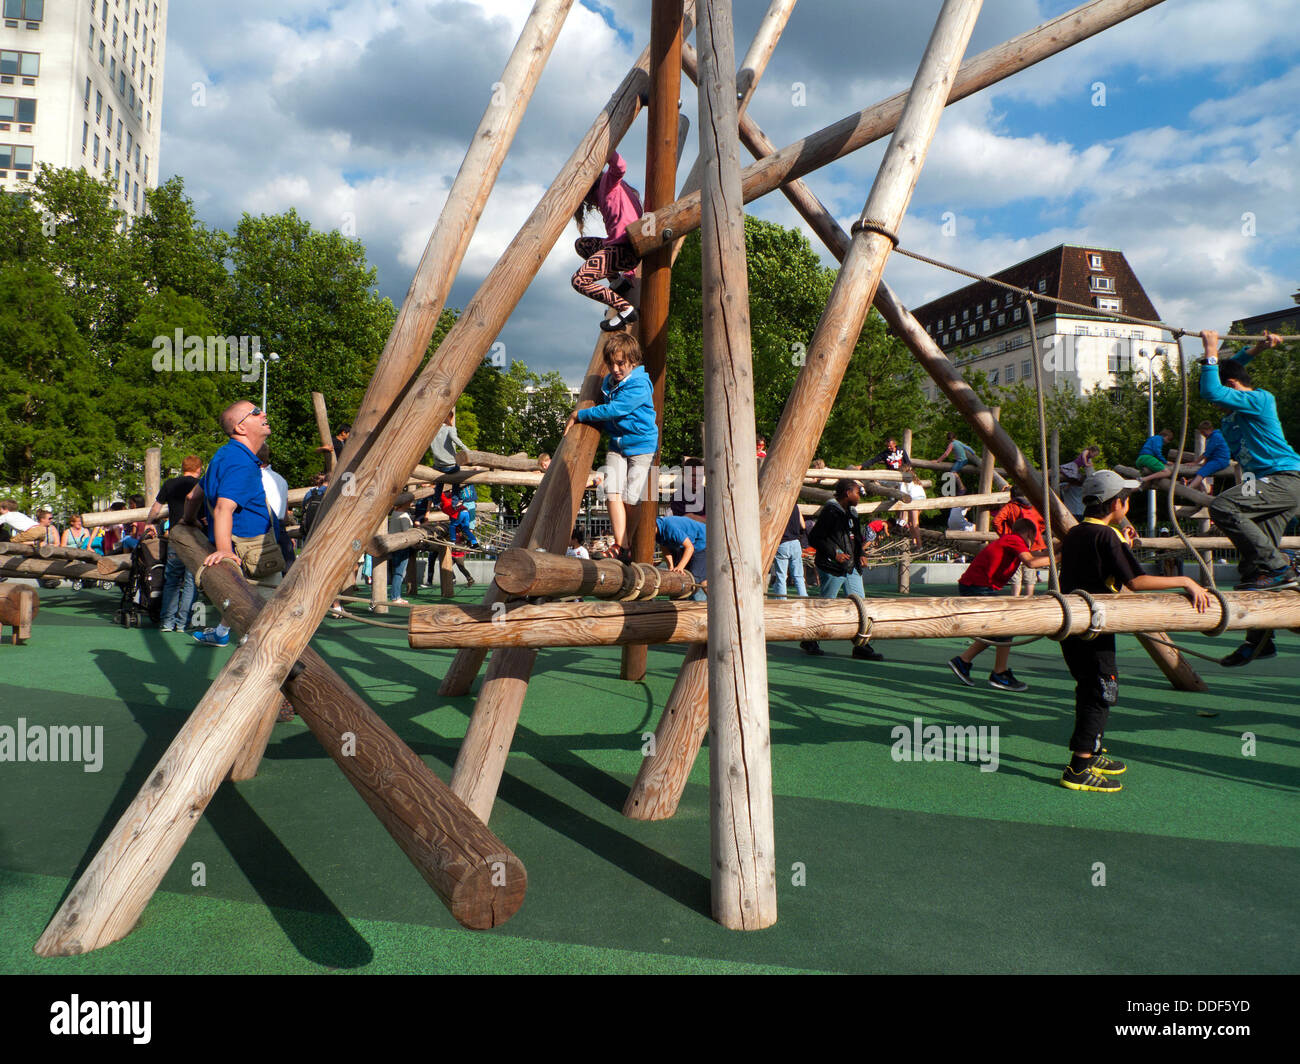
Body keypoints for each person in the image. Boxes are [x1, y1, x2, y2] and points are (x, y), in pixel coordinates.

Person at [1057, 470, 1210, 792]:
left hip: (1076, 625)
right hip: (1095, 627)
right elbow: (1136, 582)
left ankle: (1093, 750)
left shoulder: (1076, 533)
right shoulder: (1106, 537)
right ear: (1117, 503)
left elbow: (1098, 564)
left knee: (1089, 687)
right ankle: (1079, 767)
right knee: (1101, 691)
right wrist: (1185, 581)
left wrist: (1121, 537)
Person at [1199, 329, 1300, 666]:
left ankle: (1281, 568)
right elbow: (1230, 372)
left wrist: (1211, 349)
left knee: (1223, 505)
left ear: (1232, 389)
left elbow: (1214, 386)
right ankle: (1259, 641)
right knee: (1251, 569)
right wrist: (1255, 349)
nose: (1217, 404)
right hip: (1267, 484)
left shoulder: (1260, 400)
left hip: (1286, 479)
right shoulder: (1234, 417)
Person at [188, 401, 284, 648]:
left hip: (241, 547)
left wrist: (186, 521)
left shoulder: (224, 454)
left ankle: (221, 632)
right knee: (270, 623)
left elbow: (193, 496)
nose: (263, 413)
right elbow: (223, 508)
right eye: (254, 412)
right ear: (240, 428)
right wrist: (224, 552)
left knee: (248, 610)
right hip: (253, 552)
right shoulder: (241, 463)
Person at [565, 332, 657, 561]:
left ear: (633, 362)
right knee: (611, 490)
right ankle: (621, 544)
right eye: (611, 364)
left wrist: (580, 414)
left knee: (632, 497)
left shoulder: (640, 384)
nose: (615, 369)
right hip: (617, 443)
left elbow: (616, 410)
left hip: (641, 445)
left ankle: (627, 542)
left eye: (620, 363)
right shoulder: (609, 382)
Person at [947, 517, 1050, 692]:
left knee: (995, 630)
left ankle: (963, 661)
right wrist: (1060, 557)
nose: (1033, 543)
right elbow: (1031, 562)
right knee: (1005, 627)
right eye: (1033, 538)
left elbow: (1036, 555)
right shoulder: (1015, 540)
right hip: (977, 587)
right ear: (1029, 533)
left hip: (977, 586)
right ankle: (999, 673)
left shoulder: (1013, 541)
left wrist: (1058, 551)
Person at [800, 479, 883, 661]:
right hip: (833, 566)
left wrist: (860, 552)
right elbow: (815, 537)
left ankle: (861, 645)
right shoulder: (830, 512)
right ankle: (810, 638)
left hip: (851, 566)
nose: (859, 497)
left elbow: (856, 539)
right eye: (857, 492)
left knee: (860, 605)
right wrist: (834, 553)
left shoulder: (852, 513)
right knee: (827, 605)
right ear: (847, 492)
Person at [571, 149, 644, 332]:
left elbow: (620, 167)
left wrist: (607, 148)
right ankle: (617, 282)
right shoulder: (613, 193)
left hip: (623, 249)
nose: (592, 206)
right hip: (621, 248)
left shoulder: (607, 184)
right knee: (582, 245)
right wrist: (627, 276)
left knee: (580, 280)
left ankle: (625, 309)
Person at [147, 456, 202, 632]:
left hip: (176, 534)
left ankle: (167, 621)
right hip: (196, 535)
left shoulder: (170, 484)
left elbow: (156, 508)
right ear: (199, 468)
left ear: (183, 467)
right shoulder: (201, 484)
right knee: (190, 581)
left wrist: (149, 523)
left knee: (171, 580)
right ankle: (182, 622)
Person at [992, 488, 1046, 597]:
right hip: (1032, 543)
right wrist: (1036, 534)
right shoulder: (1033, 507)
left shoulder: (1010, 506)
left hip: (1016, 542)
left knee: (1015, 573)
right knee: (1030, 573)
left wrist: (1006, 535)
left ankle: (1015, 598)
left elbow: (996, 521)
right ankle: (1029, 598)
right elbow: (1043, 522)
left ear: (1012, 496)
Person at [655, 513, 707, 600]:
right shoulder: (658, 533)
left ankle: (706, 604)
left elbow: (689, 547)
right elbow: (665, 548)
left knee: (694, 578)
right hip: (684, 546)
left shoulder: (670, 528)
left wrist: (680, 567)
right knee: (680, 577)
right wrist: (671, 566)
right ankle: (676, 604)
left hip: (701, 541)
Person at [770, 503, 808, 599]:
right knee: (798, 576)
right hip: (795, 543)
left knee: (781, 577)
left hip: (782, 543)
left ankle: (782, 601)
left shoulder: (776, 505)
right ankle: (804, 600)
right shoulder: (794, 505)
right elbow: (803, 525)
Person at [1185, 420, 1231, 495]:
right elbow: (1209, 453)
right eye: (1201, 433)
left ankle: (1188, 489)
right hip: (1214, 460)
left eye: (1203, 432)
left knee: (1202, 472)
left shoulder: (1216, 436)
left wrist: (1195, 462)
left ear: (1209, 429)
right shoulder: (1211, 437)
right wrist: (1204, 463)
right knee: (1204, 471)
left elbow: (1207, 452)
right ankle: (1193, 483)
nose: (1203, 435)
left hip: (1220, 460)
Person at [430, 412, 468, 499]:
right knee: (457, 478)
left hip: (437, 465)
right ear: (450, 417)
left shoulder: (433, 429)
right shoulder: (450, 429)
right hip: (450, 466)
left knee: (440, 481)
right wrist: (468, 452)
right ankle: (455, 501)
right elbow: (457, 441)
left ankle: (436, 501)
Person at [1059, 446, 1100, 518]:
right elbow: (1084, 458)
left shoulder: (1080, 487)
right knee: (1072, 475)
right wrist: (1086, 464)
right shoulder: (1086, 452)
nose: (1094, 456)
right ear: (1091, 451)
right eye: (1094, 454)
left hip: (1073, 512)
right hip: (1075, 513)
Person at [388, 499, 413, 606]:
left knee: (396, 572)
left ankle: (395, 595)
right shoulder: (403, 516)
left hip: (394, 545)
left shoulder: (394, 513)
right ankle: (395, 596)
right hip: (402, 546)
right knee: (399, 573)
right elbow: (407, 532)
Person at [895, 465, 926, 550]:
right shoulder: (915, 480)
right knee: (911, 523)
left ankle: (919, 545)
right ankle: (914, 542)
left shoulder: (905, 481)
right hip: (921, 498)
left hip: (915, 500)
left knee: (914, 523)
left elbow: (902, 492)